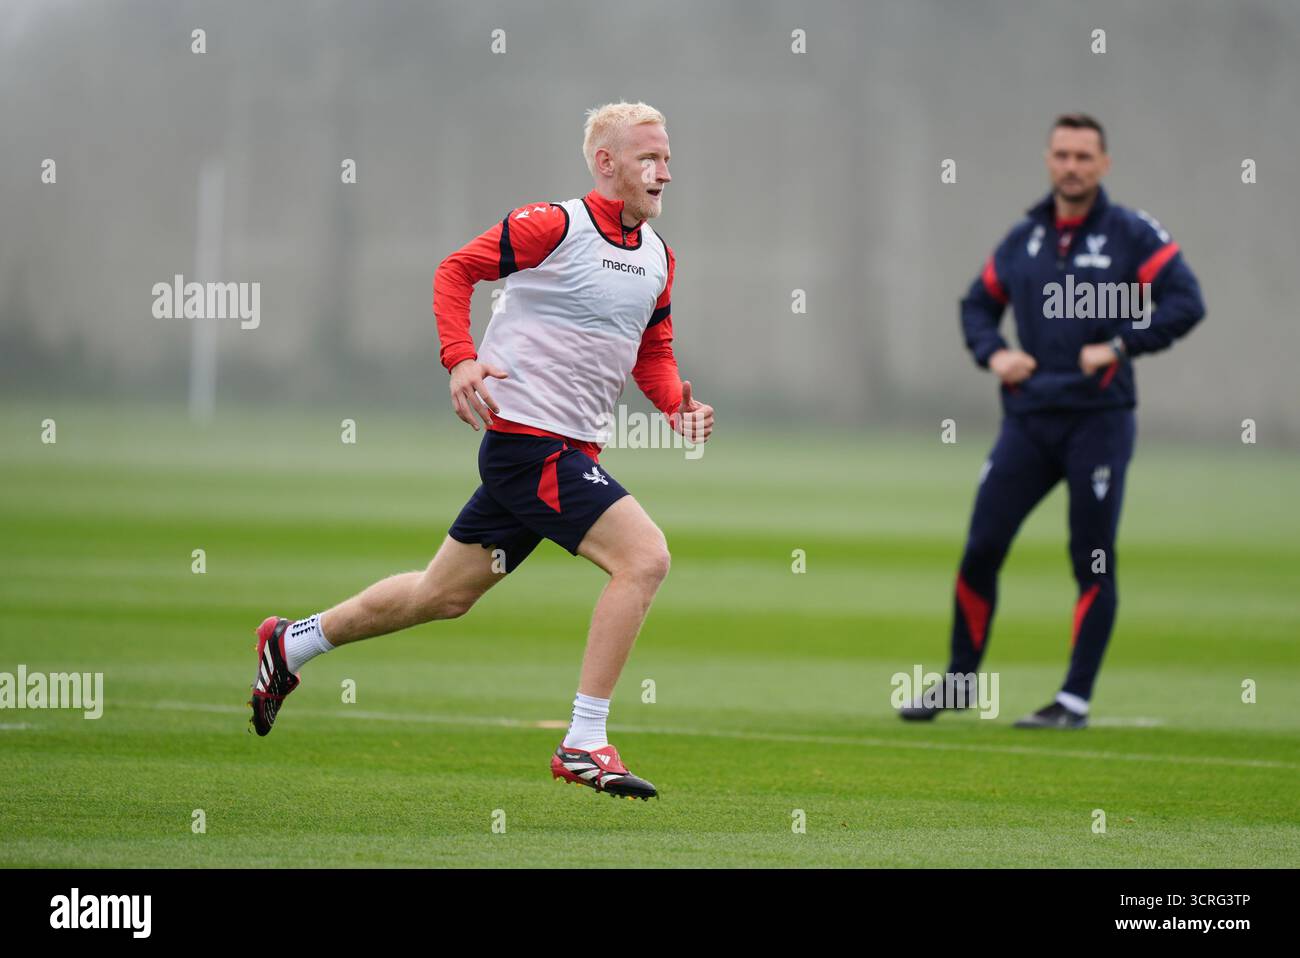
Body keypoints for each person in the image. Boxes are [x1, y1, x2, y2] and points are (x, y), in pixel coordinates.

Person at [248, 101, 714, 798]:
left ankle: (290, 643)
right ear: (606, 163)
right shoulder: (553, 225)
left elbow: (652, 351)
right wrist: (461, 359)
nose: (664, 173)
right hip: (528, 445)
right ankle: (585, 742)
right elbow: (453, 272)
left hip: (565, 451)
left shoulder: (658, 258)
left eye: (669, 158)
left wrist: (677, 403)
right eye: (649, 158)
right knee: (644, 558)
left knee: (441, 596)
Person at [900, 113, 1205, 728]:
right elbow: (977, 304)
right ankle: (960, 684)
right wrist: (996, 354)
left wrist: (1122, 344)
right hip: (1029, 420)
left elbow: (1185, 301)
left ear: (1103, 164)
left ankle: (1073, 700)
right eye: (1062, 154)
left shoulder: (1130, 233)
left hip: (1099, 421)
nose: (1072, 166)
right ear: (1048, 160)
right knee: (982, 547)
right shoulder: (1026, 236)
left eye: (1084, 156)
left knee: (1090, 557)